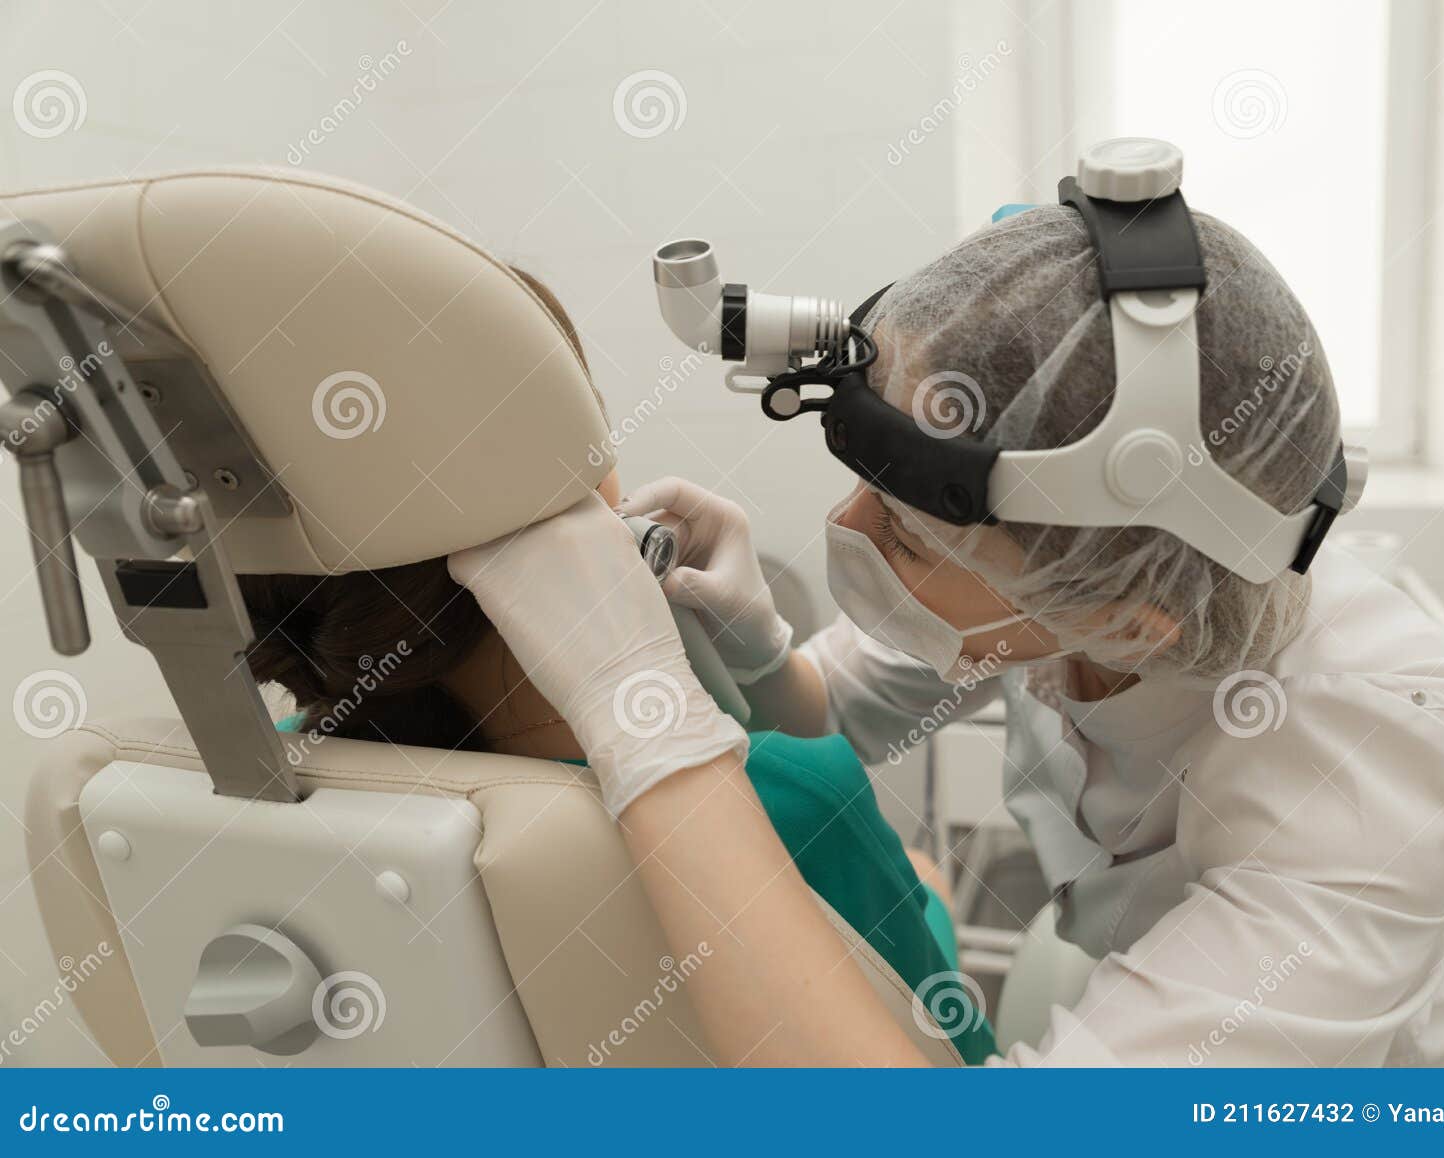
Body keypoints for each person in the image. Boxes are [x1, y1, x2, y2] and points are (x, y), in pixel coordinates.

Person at [452, 208, 1444, 1066]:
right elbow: (837, 704)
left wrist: (638, 717)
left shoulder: (1363, 772)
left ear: (1121, 621)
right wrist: (753, 647)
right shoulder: (1054, 580)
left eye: (909, 539)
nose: (845, 533)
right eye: (864, 488)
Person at [236, 269, 996, 1065]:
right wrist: (930, 904)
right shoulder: (798, 797)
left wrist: (769, 669)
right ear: (581, 487)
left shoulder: (270, 783)